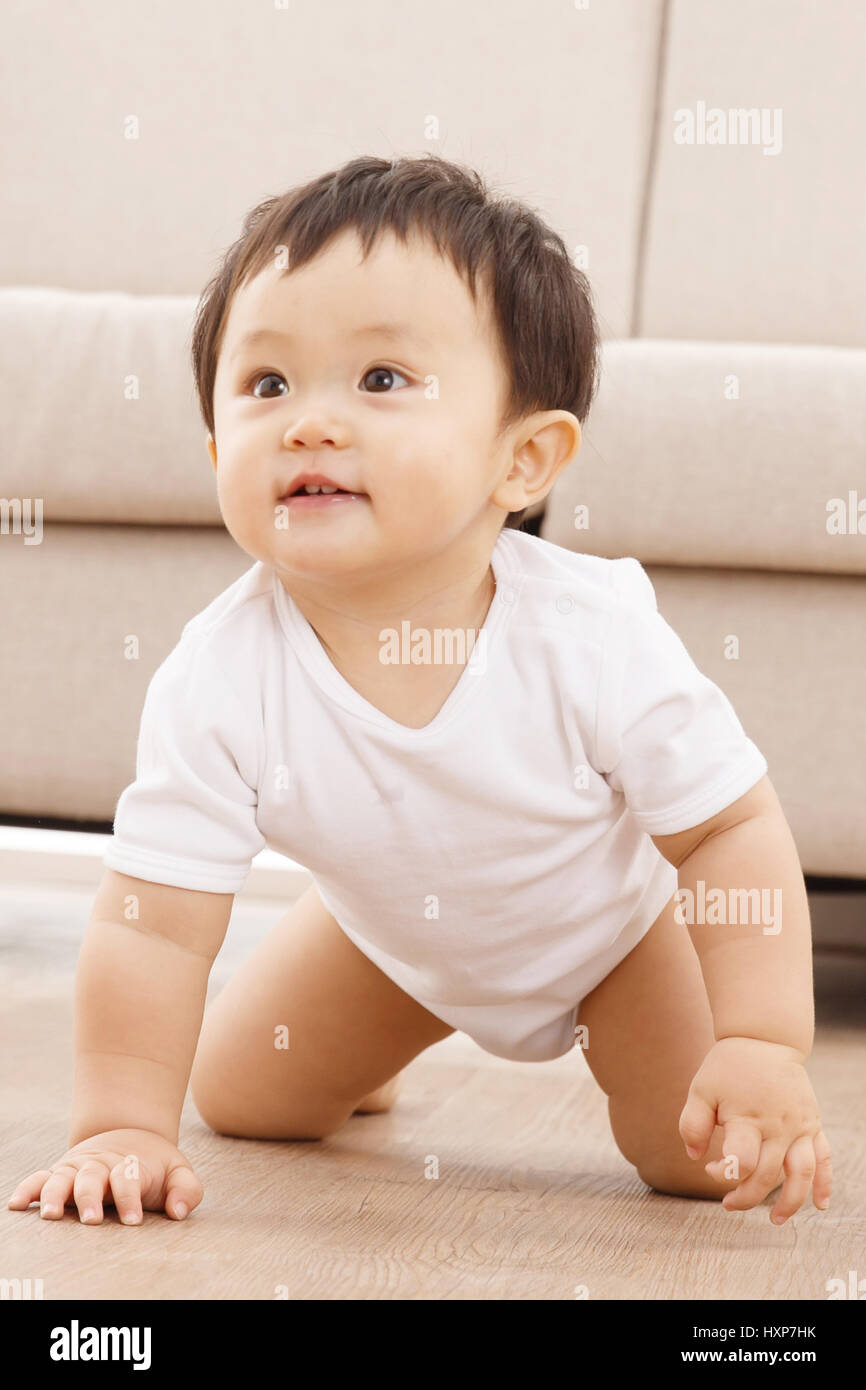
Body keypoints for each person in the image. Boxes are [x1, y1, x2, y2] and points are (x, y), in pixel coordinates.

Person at [8, 155, 830, 1228]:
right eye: (265, 386)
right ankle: (382, 1040)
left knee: (695, 1160)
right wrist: (118, 1123)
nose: (307, 423)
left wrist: (759, 1036)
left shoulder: (587, 636)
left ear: (523, 460)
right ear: (216, 448)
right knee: (243, 1099)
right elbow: (153, 924)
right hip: (388, 940)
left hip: (612, 946)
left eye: (381, 380)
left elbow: (727, 829)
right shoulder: (218, 674)